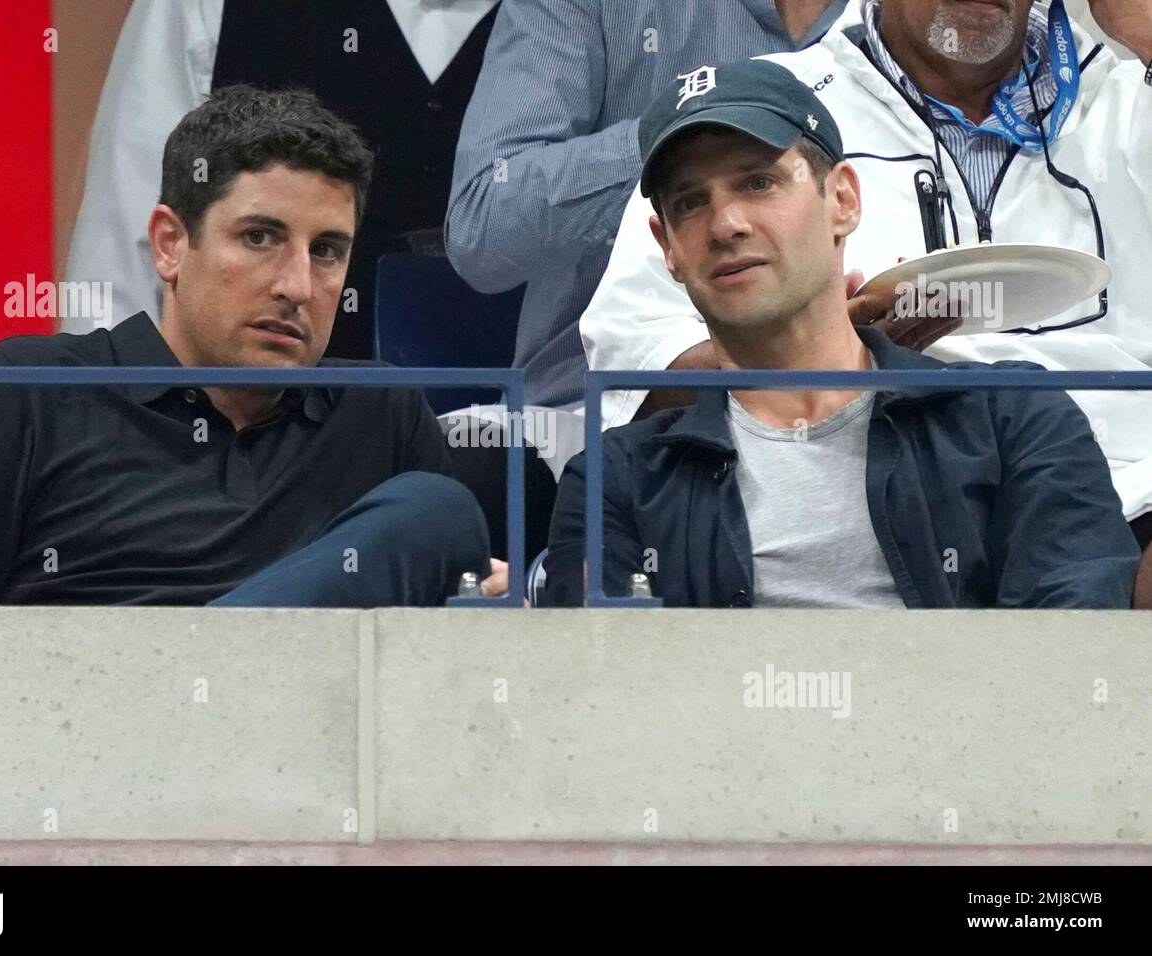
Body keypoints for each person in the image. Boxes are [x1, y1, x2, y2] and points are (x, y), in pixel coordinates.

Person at [579, 0, 1152, 605]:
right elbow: (632, 371)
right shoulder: (767, 115)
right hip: (881, 479)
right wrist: (819, 348)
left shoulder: (1130, 91)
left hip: (1136, 486)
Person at [0, 86, 506, 609]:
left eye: (327, 251)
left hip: (306, 748)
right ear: (171, 244)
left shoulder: (378, 410)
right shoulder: (29, 386)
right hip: (78, 738)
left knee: (436, 514)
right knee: (436, 513)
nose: (297, 285)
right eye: (259, 238)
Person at [445, 0, 851, 410]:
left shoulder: (903, 23)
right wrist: (684, 133)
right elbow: (482, 223)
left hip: (885, 389)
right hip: (606, 410)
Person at [62, 0, 502, 361]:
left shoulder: (562, 20)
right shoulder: (198, 7)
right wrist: (102, 410)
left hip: (531, 432)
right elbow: (125, 230)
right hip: (237, 437)